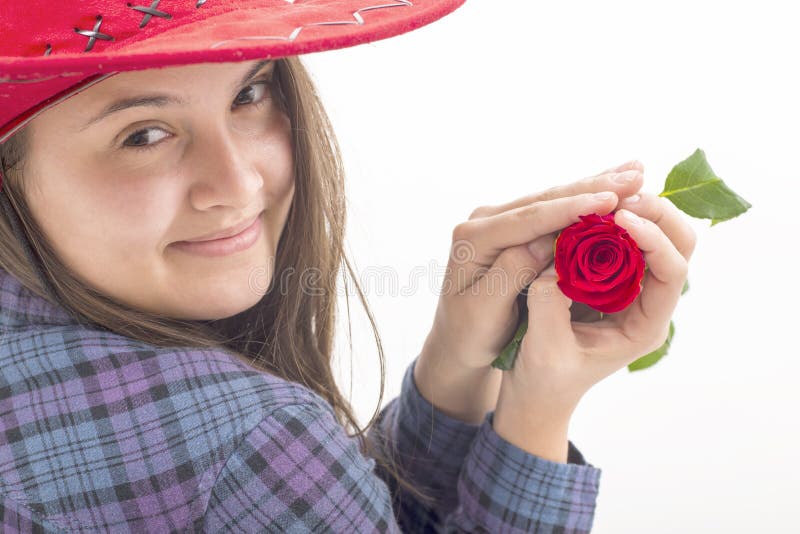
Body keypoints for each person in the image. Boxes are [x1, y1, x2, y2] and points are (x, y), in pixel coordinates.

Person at [0, 0, 697, 532]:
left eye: (250, 94)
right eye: (144, 134)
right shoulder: (251, 441)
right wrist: (538, 411)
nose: (240, 184)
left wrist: (456, 364)